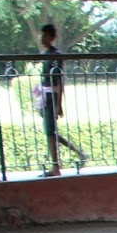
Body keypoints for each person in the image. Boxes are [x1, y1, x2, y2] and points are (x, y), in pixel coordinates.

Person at [38, 23, 86, 176]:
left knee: (50, 131)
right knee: (50, 131)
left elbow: (59, 81)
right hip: (45, 95)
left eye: (45, 35)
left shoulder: (55, 56)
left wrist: (59, 104)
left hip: (51, 96)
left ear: (51, 37)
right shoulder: (46, 55)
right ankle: (76, 154)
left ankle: (56, 166)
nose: (42, 38)